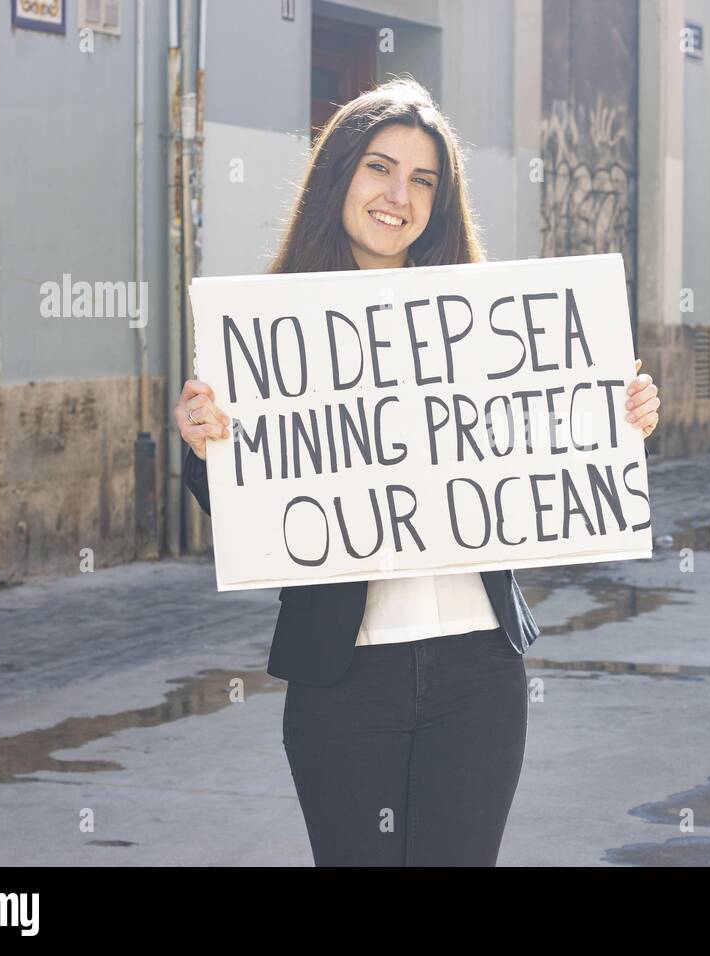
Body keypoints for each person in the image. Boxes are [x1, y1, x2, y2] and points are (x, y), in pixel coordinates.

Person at [173, 77, 662, 866]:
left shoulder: (486, 324)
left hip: (479, 673)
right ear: (339, 177)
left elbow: (549, 447)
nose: (399, 194)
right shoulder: (264, 329)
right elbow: (242, 504)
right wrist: (203, 443)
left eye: (423, 179)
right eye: (379, 167)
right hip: (344, 680)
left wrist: (620, 416)